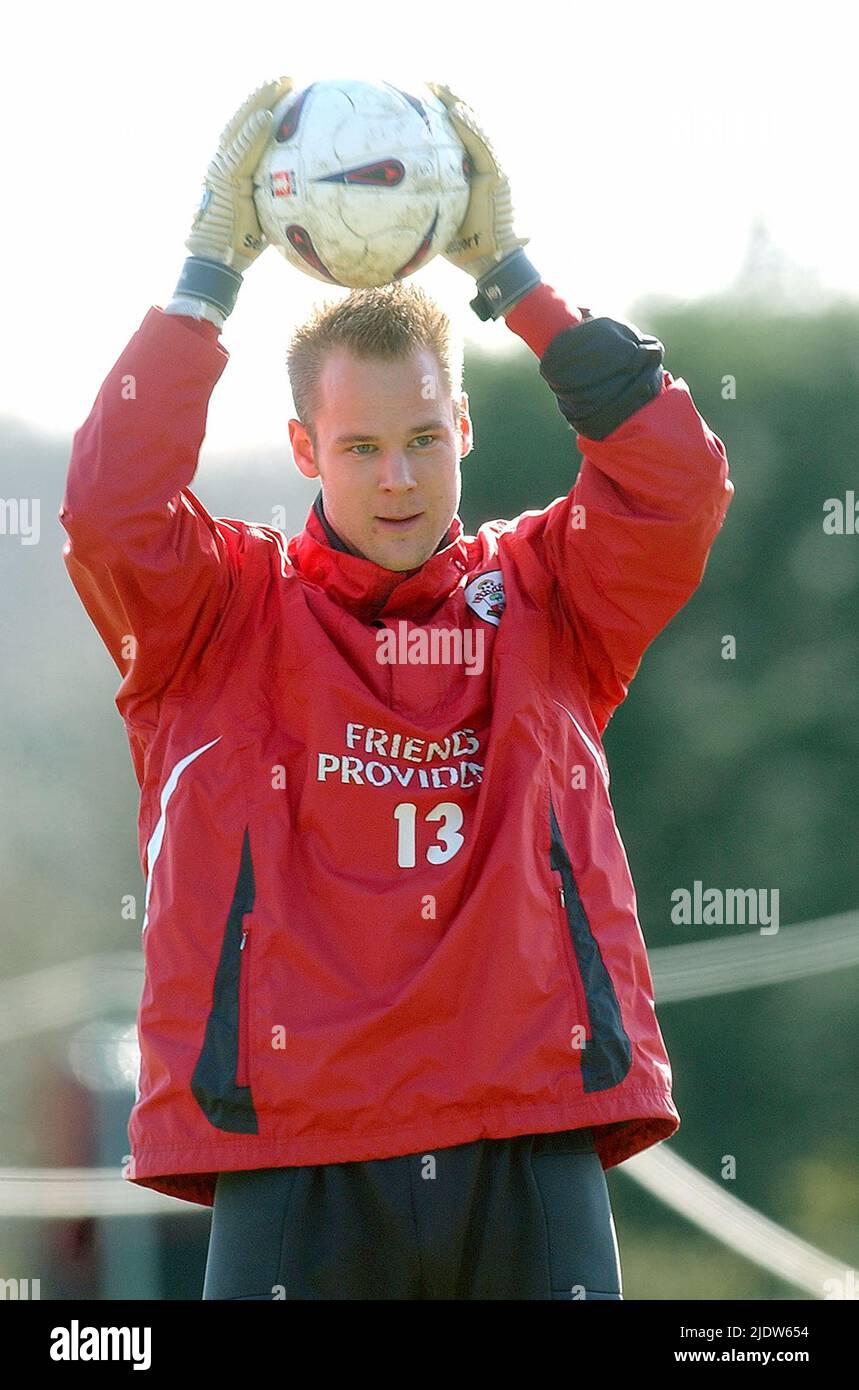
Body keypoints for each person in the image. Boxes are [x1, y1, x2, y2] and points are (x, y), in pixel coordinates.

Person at [59, 77, 733, 1300]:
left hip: (526, 1133)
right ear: (307, 450)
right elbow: (108, 511)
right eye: (362, 447)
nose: (399, 477)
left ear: (464, 427)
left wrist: (517, 280)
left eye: (423, 437)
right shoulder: (222, 611)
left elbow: (676, 489)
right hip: (294, 1146)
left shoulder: (548, 593)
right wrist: (206, 275)